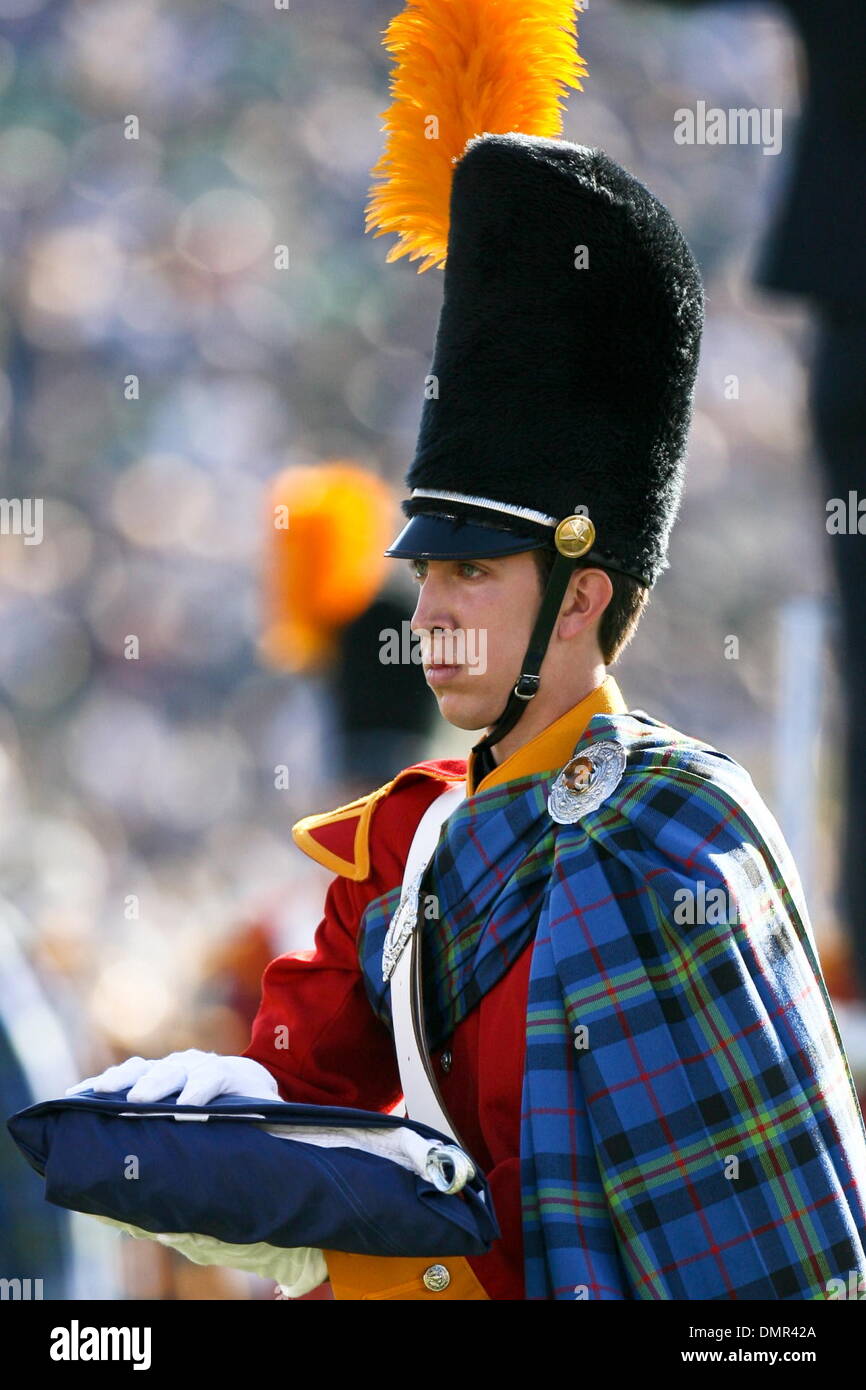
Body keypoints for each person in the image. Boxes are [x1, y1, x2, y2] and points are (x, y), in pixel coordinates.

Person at [69, 0, 866, 1301]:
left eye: (473, 572)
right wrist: (240, 1103)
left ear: (577, 596)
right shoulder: (422, 837)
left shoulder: (679, 824)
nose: (432, 609)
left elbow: (756, 1278)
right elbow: (315, 1063)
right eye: (428, 570)